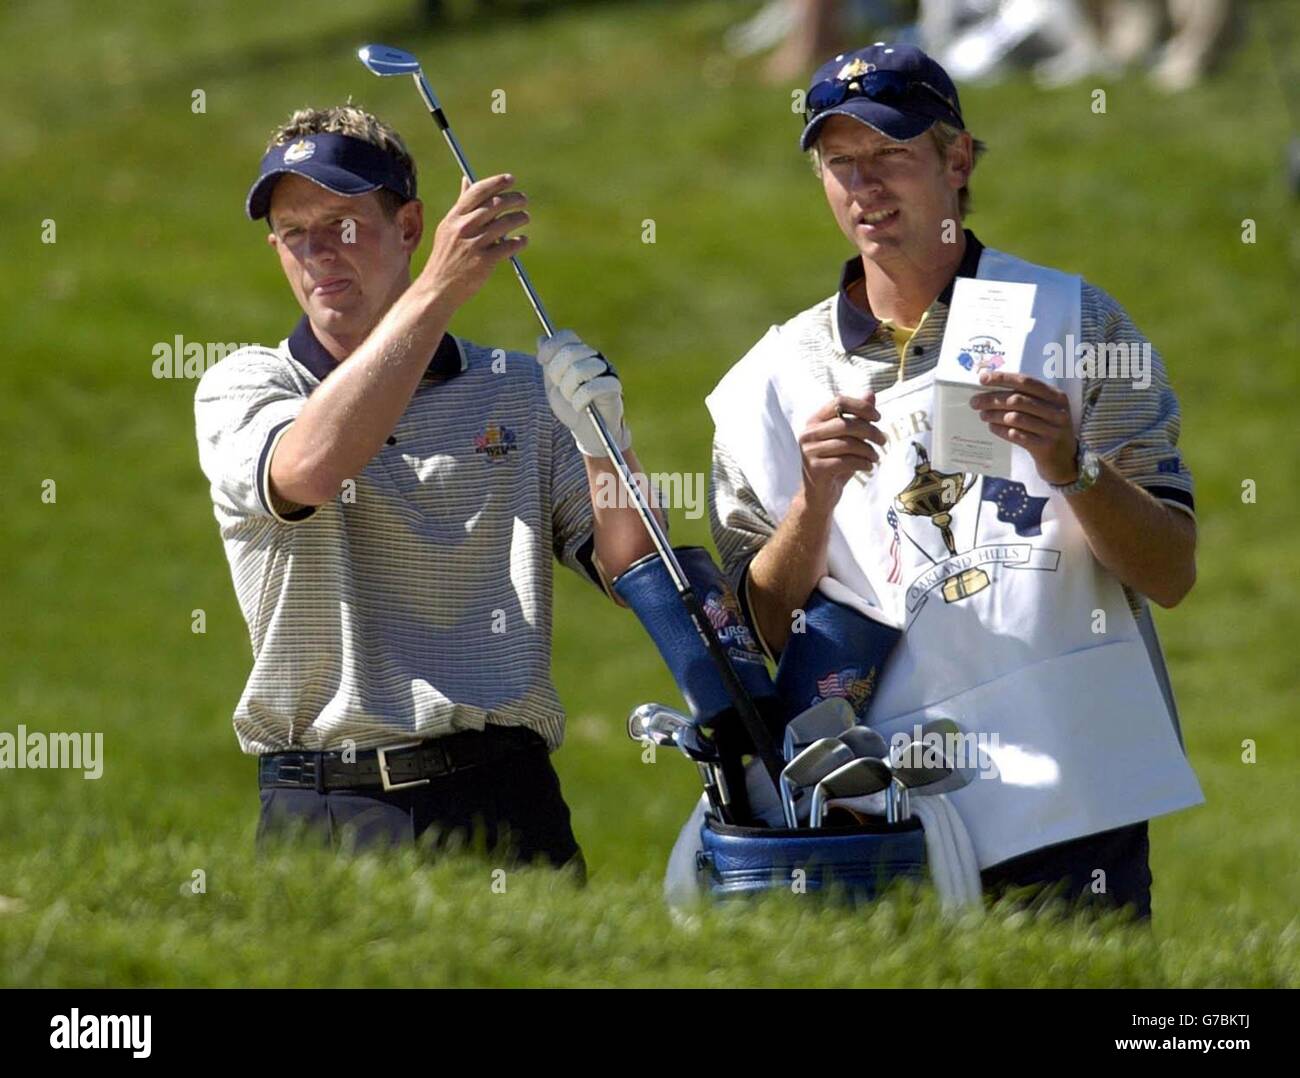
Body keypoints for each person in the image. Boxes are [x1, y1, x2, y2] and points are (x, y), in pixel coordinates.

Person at [705, 43, 1203, 918]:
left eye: (891, 155)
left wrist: (1072, 468)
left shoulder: (1074, 318)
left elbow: (1170, 571)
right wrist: (811, 507)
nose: (865, 187)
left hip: (1073, 794)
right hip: (875, 809)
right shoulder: (772, 380)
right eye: (840, 163)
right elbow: (754, 634)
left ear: (958, 157)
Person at [195, 106, 654, 877]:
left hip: (503, 799)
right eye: (292, 232)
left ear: (409, 225)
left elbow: (632, 575)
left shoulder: (516, 390)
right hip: (326, 808)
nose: (316, 254)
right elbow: (308, 470)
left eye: (341, 224)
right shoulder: (245, 384)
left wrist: (605, 442)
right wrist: (438, 292)